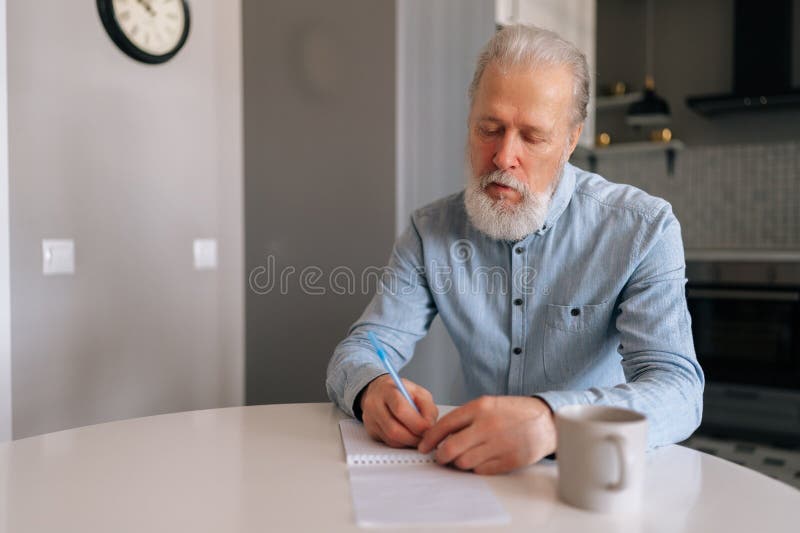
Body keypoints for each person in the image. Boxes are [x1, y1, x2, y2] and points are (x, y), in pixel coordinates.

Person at [326, 24, 704, 475]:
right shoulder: (429, 231)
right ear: (470, 122)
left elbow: (679, 390)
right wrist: (371, 389)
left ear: (569, 141)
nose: (504, 156)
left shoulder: (644, 229)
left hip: (593, 477)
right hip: (470, 472)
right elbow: (360, 349)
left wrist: (553, 421)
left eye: (533, 136)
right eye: (489, 128)